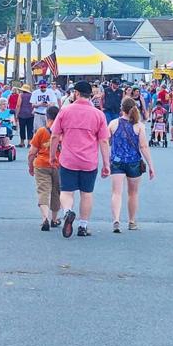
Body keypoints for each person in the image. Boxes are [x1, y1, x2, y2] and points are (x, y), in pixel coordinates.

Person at [48, 80, 110, 238]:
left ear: (76, 93)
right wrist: (106, 164)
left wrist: (52, 156)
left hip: (68, 159)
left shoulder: (65, 111)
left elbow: (54, 135)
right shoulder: (98, 114)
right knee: (86, 193)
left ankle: (67, 212)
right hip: (89, 161)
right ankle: (83, 226)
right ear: (90, 95)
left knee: (66, 191)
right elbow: (103, 141)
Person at [105, 98, 155, 233]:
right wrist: (150, 165)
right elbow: (143, 146)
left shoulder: (113, 123)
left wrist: (106, 159)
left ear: (122, 109)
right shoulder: (139, 126)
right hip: (134, 162)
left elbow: (106, 141)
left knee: (116, 192)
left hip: (117, 161)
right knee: (133, 193)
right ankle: (132, 221)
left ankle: (116, 219)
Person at [28, 104, 62, 230]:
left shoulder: (41, 131)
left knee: (43, 191)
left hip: (42, 164)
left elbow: (32, 152)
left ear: (47, 117)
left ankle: (45, 218)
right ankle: (54, 219)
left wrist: (30, 166)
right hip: (59, 165)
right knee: (56, 192)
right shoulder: (62, 132)